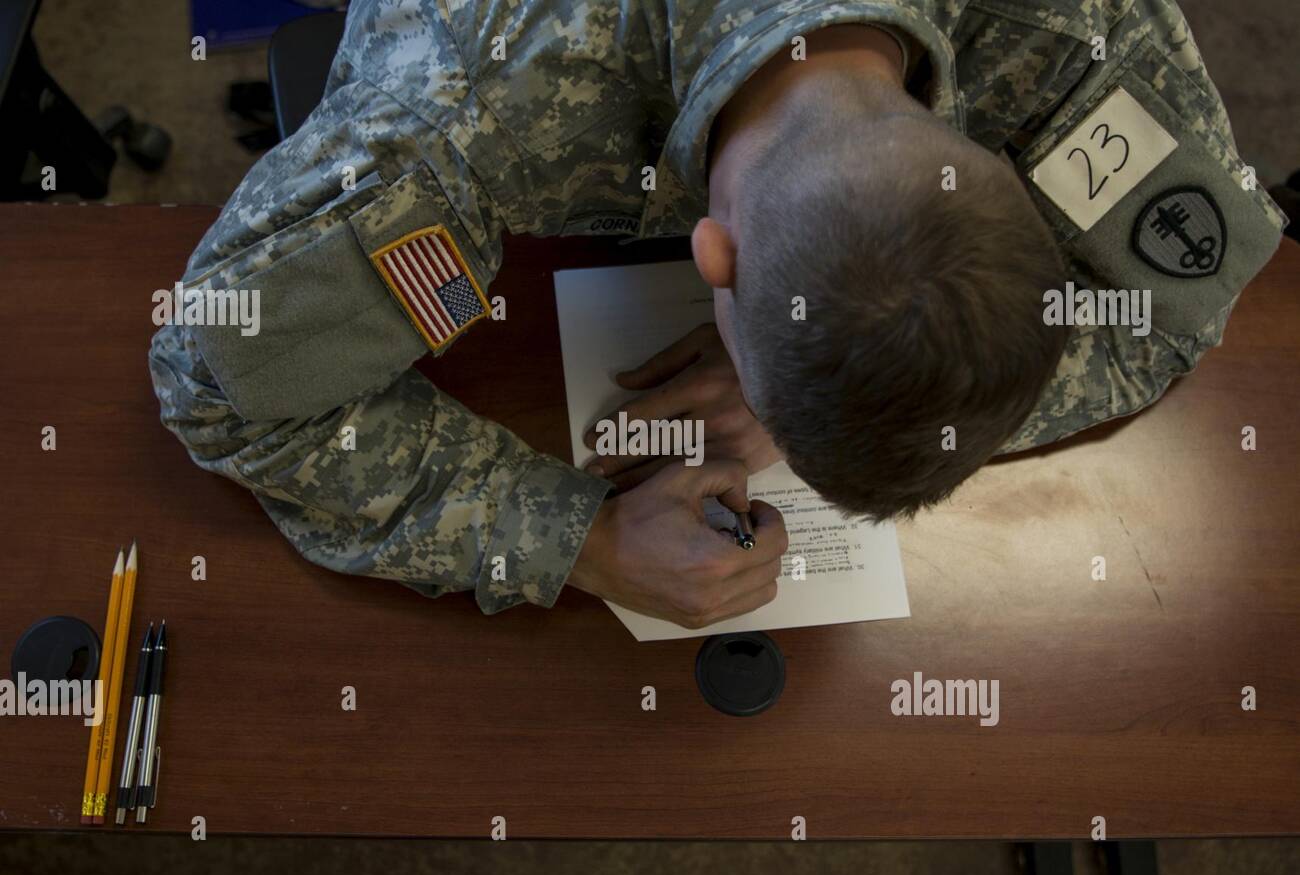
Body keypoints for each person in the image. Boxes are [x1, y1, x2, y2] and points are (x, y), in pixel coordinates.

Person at [149, 0, 1284, 629]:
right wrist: (578, 539)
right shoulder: (464, 109)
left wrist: (829, 371)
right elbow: (218, 385)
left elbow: (1176, 299)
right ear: (713, 257)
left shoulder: (1061, 24)